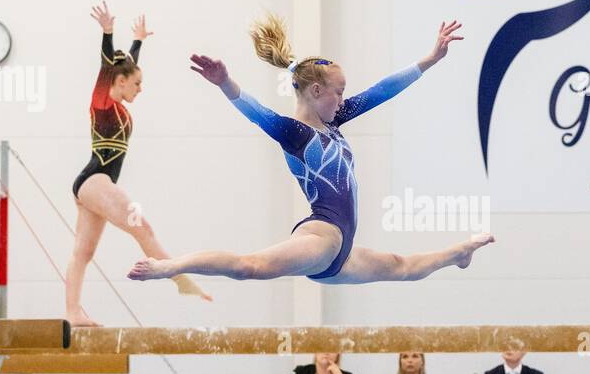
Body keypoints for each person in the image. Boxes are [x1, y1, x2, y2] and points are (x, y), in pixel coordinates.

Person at [127, 14, 494, 285]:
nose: (344, 98)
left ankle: (458, 255)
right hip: (322, 237)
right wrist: (225, 83)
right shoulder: (294, 133)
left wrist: (430, 59)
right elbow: (257, 113)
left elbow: (382, 91)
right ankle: (169, 266)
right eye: (339, 91)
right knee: (248, 267)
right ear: (316, 92)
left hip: (340, 252)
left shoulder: (334, 120)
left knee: (403, 267)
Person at [65, 2, 210, 326]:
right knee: (141, 227)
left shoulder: (118, 96)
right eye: (137, 84)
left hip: (91, 185)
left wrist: (138, 41)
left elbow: (126, 66)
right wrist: (107, 33)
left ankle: (73, 312)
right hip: (96, 178)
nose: (141, 89)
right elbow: (109, 67)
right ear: (119, 83)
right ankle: (180, 279)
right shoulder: (103, 101)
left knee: (83, 252)